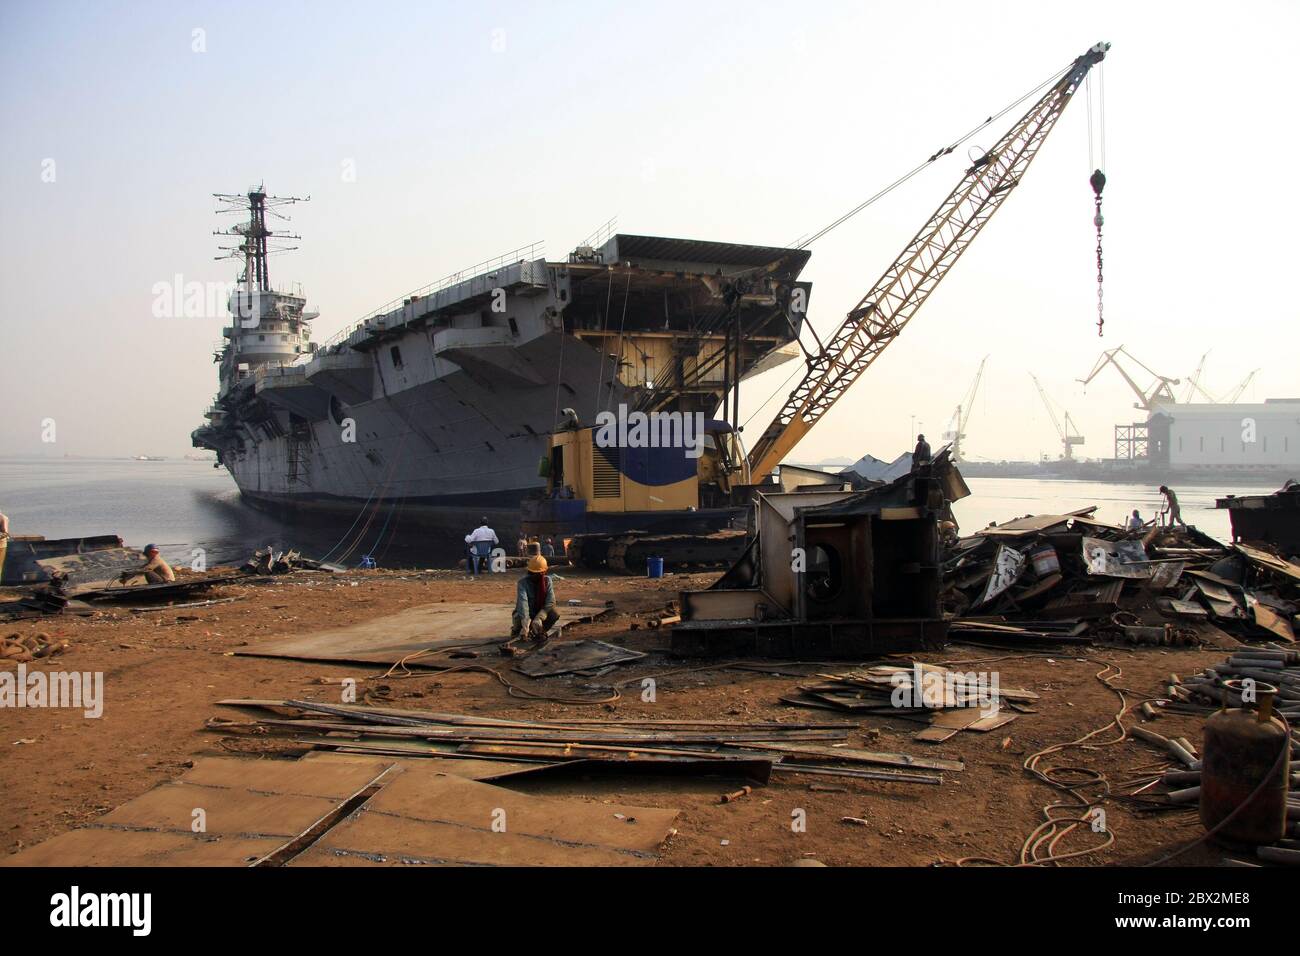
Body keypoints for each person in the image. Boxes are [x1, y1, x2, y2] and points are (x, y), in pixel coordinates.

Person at [512, 554, 559, 642]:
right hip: (527, 614)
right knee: (518, 616)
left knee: (553, 614)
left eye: (537, 574)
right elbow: (523, 603)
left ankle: (539, 631)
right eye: (533, 573)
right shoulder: (522, 583)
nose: (534, 576)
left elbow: (551, 602)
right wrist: (525, 622)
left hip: (539, 613)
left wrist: (539, 617)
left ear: (544, 572)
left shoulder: (547, 581)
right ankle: (518, 631)